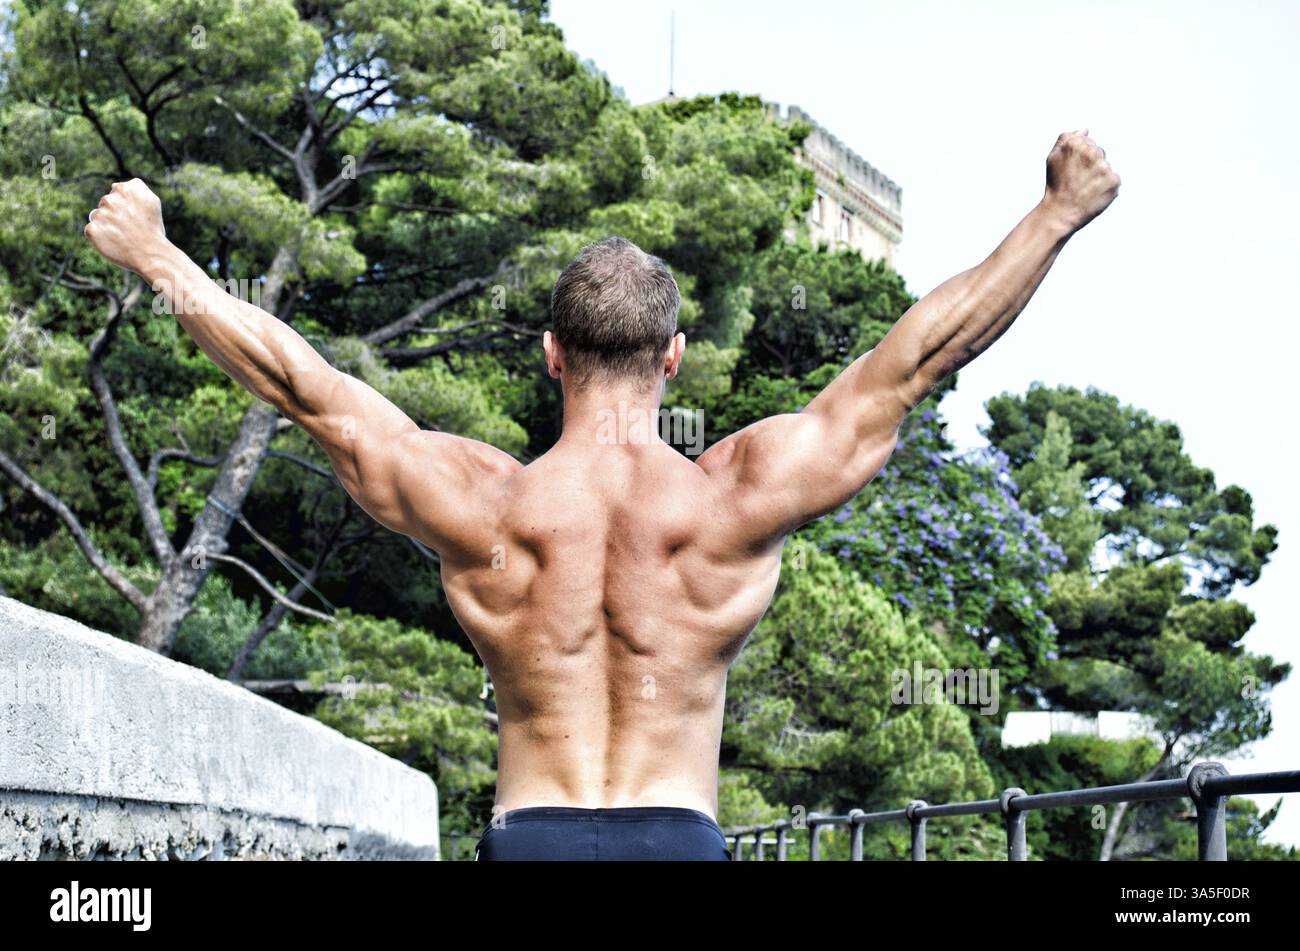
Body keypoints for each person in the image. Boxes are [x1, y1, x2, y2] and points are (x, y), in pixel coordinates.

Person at [83, 129, 1119, 861]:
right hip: (678, 840)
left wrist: (162, 256)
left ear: (548, 354)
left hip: (528, 837)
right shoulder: (733, 499)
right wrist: (1056, 214)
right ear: (672, 357)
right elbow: (917, 361)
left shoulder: (486, 505)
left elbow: (306, 390)